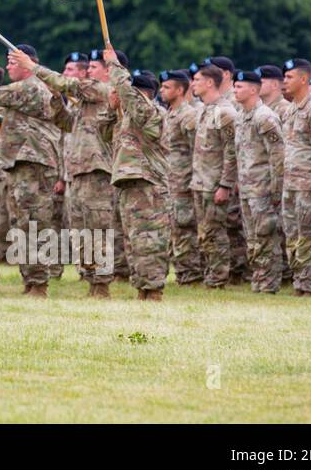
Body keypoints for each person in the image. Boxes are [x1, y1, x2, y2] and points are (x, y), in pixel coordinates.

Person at [17, 46, 118, 297]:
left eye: (93, 68)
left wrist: (32, 68)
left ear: (106, 71)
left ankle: (102, 284)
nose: (89, 72)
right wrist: (55, 96)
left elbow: (69, 84)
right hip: (78, 172)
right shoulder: (85, 101)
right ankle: (92, 280)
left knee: (98, 229)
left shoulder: (103, 90)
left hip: (96, 171)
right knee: (81, 230)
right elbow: (65, 122)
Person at [0, 44, 62, 296]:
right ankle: (31, 280)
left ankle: (39, 283)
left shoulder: (31, 86)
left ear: (26, 63)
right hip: (21, 164)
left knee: (34, 224)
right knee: (21, 224)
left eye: (11, 62)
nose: (7, 67)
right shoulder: (26, 90)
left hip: (34, 164)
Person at [100, 56, 170, 300]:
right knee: (134, 242)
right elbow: (105, 134)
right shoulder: (126, 119)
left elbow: (136, 104)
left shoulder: (153, 113)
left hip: (149, 185)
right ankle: (142, 287)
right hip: (129, 184)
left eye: (129, 94)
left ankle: (153, 290)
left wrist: (114, 67)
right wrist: (111, 108)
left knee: (150, 240)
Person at [281, 57, 311, 296]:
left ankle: (310, 286)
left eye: (289, 77)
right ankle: (299, 282)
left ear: (304, 79)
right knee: (293, 236)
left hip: (310, 184)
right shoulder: (291, 109)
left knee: (309, 236)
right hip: (291, 184)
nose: (284, 81)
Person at [231, 69, 285, 293]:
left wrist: (276, 188)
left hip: (263, 187)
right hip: (247, 187)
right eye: (234, 86)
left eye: (240, 86)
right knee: (253, 238)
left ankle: (268, 283)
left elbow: (278, 154)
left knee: (265, 235)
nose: (235, 89)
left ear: (254, 89)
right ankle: (259, 280)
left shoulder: (264, 116)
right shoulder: (242, 116)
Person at [191, 64, 238, 288]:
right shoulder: (202, 109)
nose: (193, 83)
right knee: (204, 233)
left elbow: (231, 151)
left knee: (215, 232)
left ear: (210, 83)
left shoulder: (225, 112)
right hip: (200, 181)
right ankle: (211, 275)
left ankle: (218, 278)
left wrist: (225, 184)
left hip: (214, 183)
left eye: (197, 80)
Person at [159, 69, 202, 284]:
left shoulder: (187, 115)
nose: (162, 90)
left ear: (180, 90)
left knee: (184, 228)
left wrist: (193, 179)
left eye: (167, 87)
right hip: (169, 181)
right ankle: (182, 273)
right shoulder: (168, 113)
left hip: (183, 181)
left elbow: (198, 149)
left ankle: (190, 275)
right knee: (173, 228)